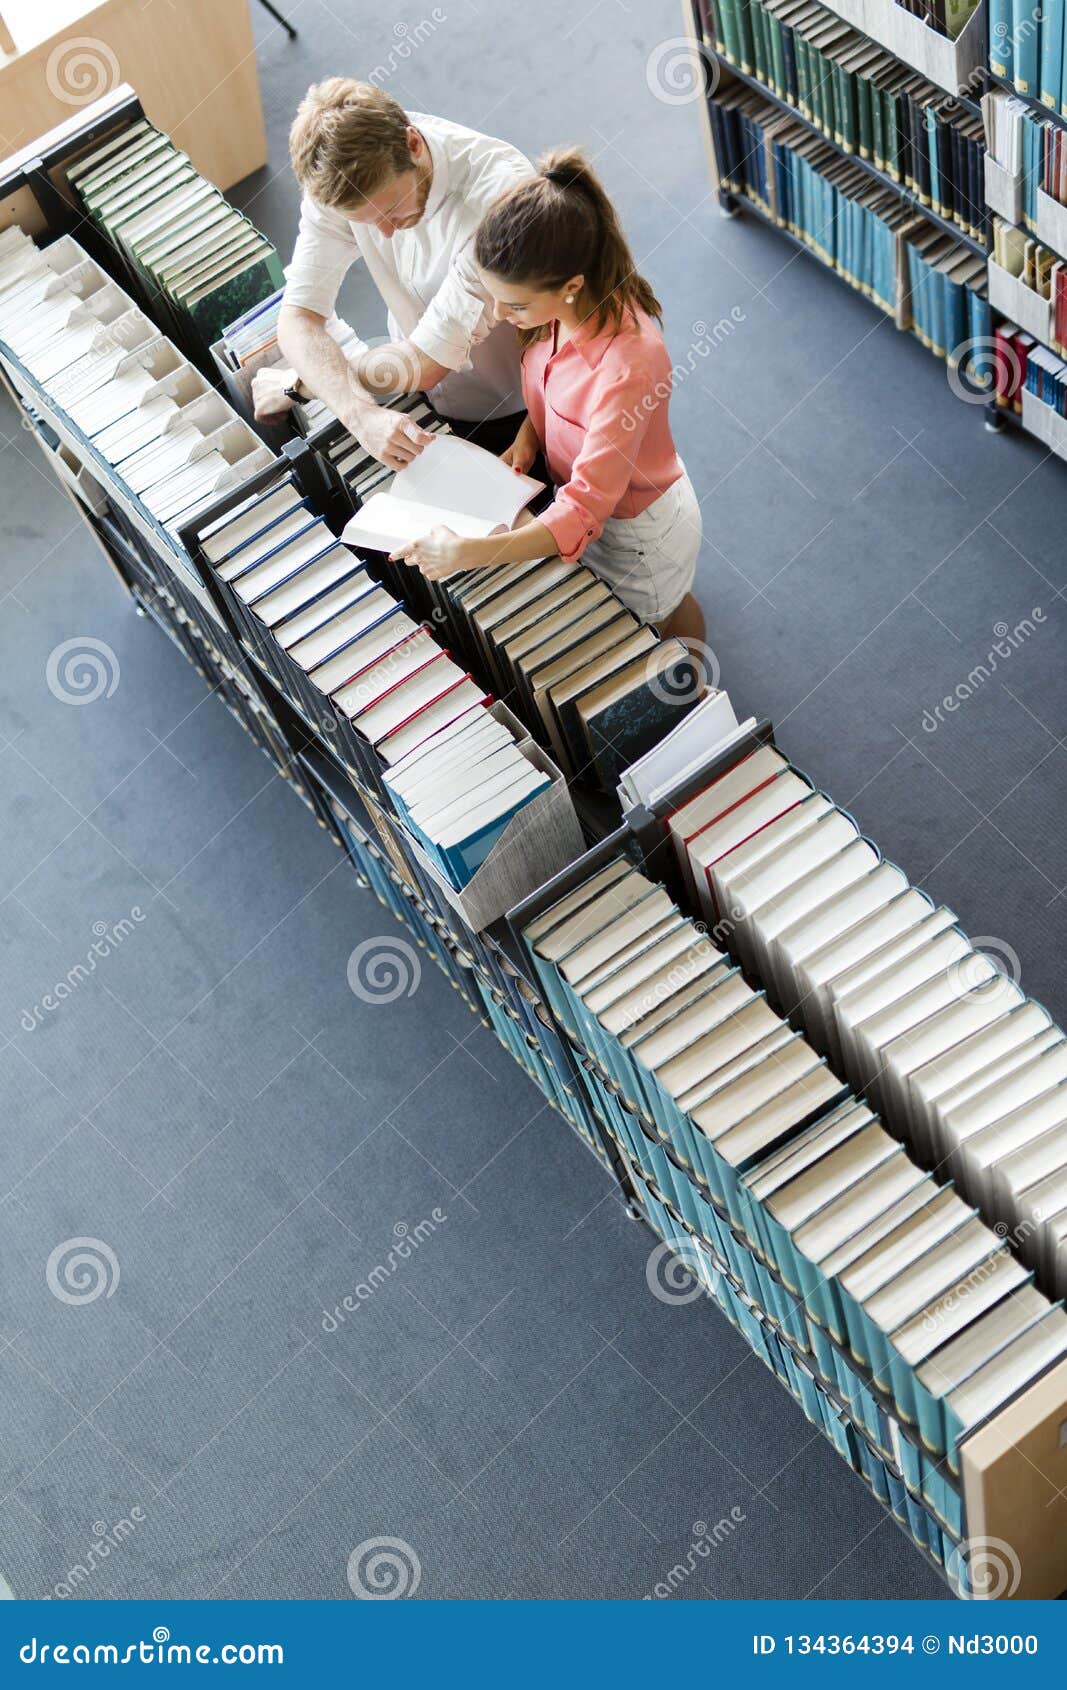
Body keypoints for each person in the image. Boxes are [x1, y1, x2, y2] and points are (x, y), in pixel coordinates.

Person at [391, 148, 705, 646]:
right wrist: (529, 435)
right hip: (588, 506)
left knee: (662, 622)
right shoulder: (556, 312)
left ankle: (696, 685)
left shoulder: (629, 367)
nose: (499, 314)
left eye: (514, 304)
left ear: (571, 286)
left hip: (638, 535)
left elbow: (584, 509)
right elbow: (554, 392)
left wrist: (468, 552)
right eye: (495, 298)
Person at [252, 79, 533, 470]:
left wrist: (305, 382)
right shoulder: (336, 178)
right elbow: (298, 315)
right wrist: (359, 414)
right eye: (364, 221)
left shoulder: (500, 199)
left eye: (391, 209)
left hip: (518, 408)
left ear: (412, 144)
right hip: (414, 393)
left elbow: (429, 361)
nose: (384, 232)